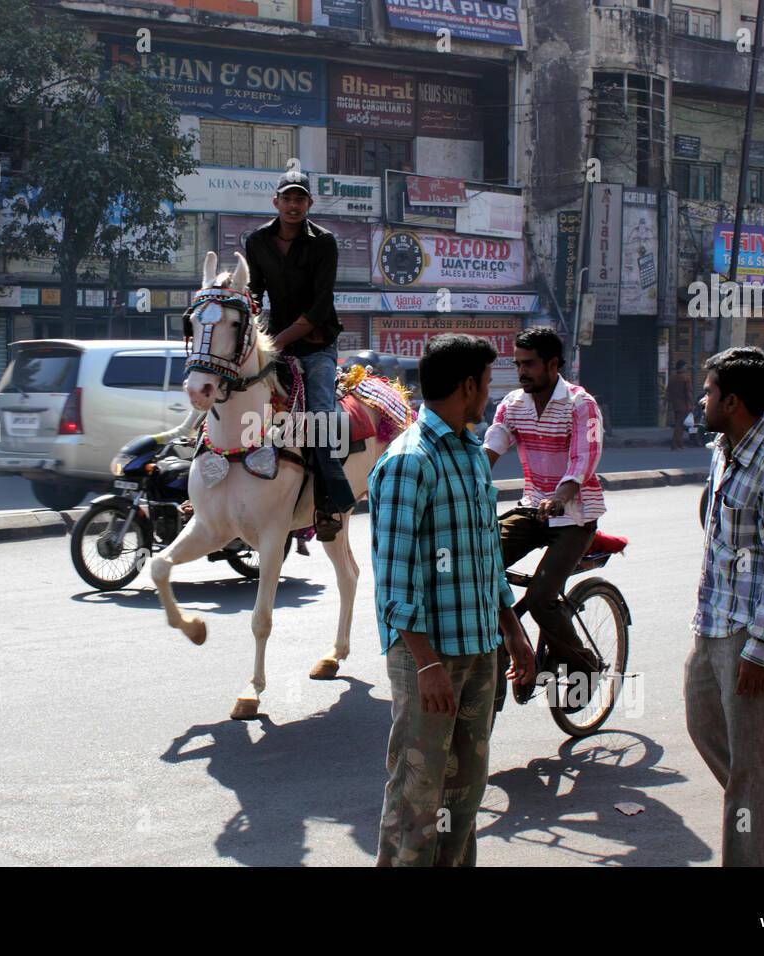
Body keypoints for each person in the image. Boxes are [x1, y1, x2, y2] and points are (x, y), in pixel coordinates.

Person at [369, 333, 535, 867]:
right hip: (430, 661)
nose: (490, 393)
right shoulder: (408, 461)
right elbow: (393, 582)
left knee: (463, 799)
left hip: (480, 650)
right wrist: (428, 663)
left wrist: (512, 631)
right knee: (418, 800)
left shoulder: (470, 453)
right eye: (488, 383)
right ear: (469, 386)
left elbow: (486, 557)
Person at [688, 346, 764, 866]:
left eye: (710, 391)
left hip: (750, 635)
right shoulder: (724, 448)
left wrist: (762, 648)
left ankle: (756, 840)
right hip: (712, 623)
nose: (703, 398)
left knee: (752, 773)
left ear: (734, 401)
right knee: (704, 727)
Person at [483, 326, 606, 695]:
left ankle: (586, 666)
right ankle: (510, 642)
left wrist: (560, 496)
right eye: (518, 363)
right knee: (478, 560)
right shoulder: (513, 404)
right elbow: (492, 445)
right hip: (533, 509)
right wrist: (462, 480)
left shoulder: (581, 404)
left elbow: (584, 460)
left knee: (540, 598)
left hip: (574, 517)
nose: (521, 371)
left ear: (553, 364)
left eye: (530, 364)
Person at [245, 168, 355, 541]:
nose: (293, 205)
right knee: (239, 398)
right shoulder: (257, 241)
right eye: (287, 199)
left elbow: (321, 305)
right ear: (275, 202)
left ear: (309, 204)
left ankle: (327, 505)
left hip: (317, 343)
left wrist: (276, 342)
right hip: (274, 339)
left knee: (321, 417)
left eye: (300, 199)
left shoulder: (324, 242)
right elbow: (255, 293)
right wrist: (248, 316)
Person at [667, 360, 695, 450]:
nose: (686, 368)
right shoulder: (686, 378)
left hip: (674, 404)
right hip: (684, 405)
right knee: (679, 426)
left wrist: (665, 404)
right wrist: (691, 404)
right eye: (685, 366)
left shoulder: (671, 378)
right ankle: (675, 445)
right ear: (682, 367)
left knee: (678, 424)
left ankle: (680, 444)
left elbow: (668, 392)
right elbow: (688, 393)